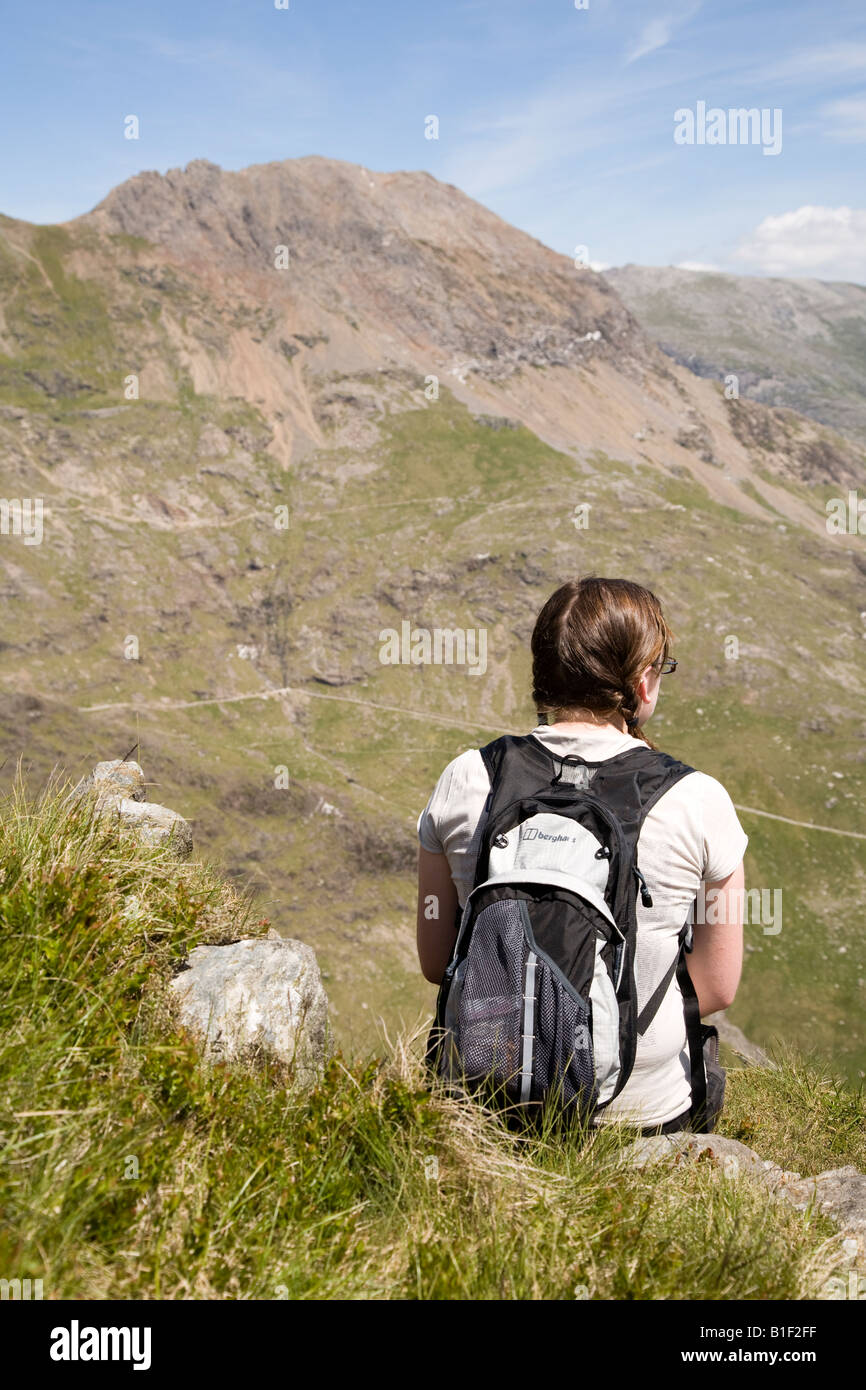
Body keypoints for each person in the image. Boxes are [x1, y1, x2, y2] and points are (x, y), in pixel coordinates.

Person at [415, 576, 747, 1136]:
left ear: (542, 674)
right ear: (641, 682)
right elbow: (716, 986)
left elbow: (436, 959)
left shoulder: (468, 776)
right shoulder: (697, 799)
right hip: (642, 1114)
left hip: (485, 1100)